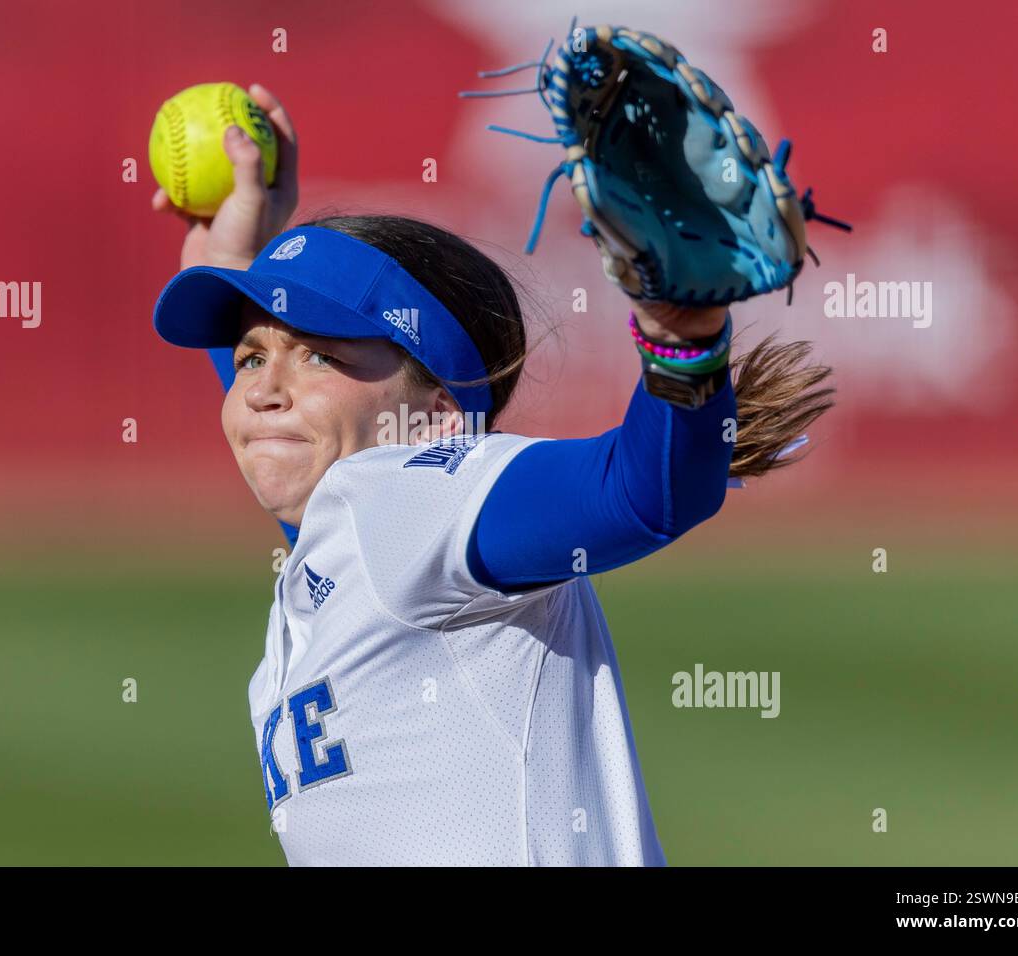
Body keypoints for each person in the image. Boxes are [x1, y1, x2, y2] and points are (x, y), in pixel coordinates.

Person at [151, 78, 832, 866]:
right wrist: (235, 259)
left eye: (320, 354)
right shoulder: (352, 544)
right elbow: (309, 461)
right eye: (248, 358)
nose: (262, 390)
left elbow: (643, 492)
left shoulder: (411, 499)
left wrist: (682, 336)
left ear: (438, 415)